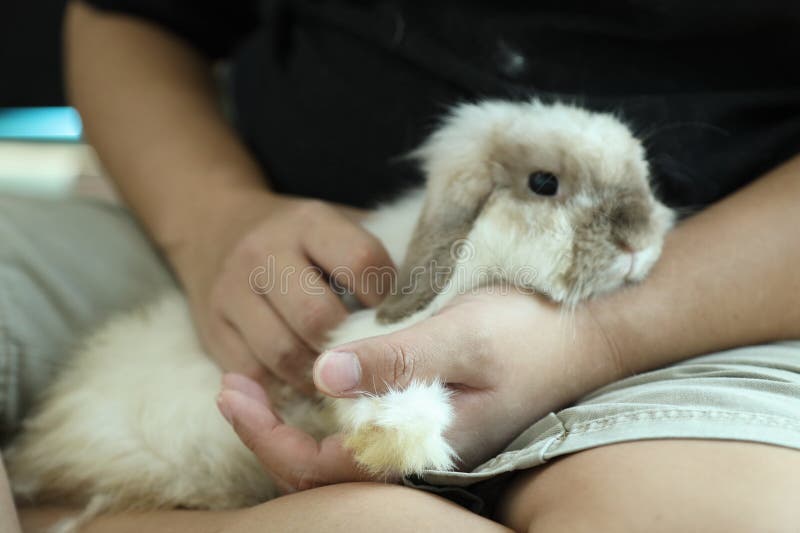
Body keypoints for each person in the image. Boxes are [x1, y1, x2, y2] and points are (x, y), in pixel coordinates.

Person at [3, 1, 800, 531]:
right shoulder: (441, 228)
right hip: (217, 218)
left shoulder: (639, 241)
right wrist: (211, 216)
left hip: (722, 289)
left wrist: (597, 340)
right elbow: (130, 16)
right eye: (547, 188)